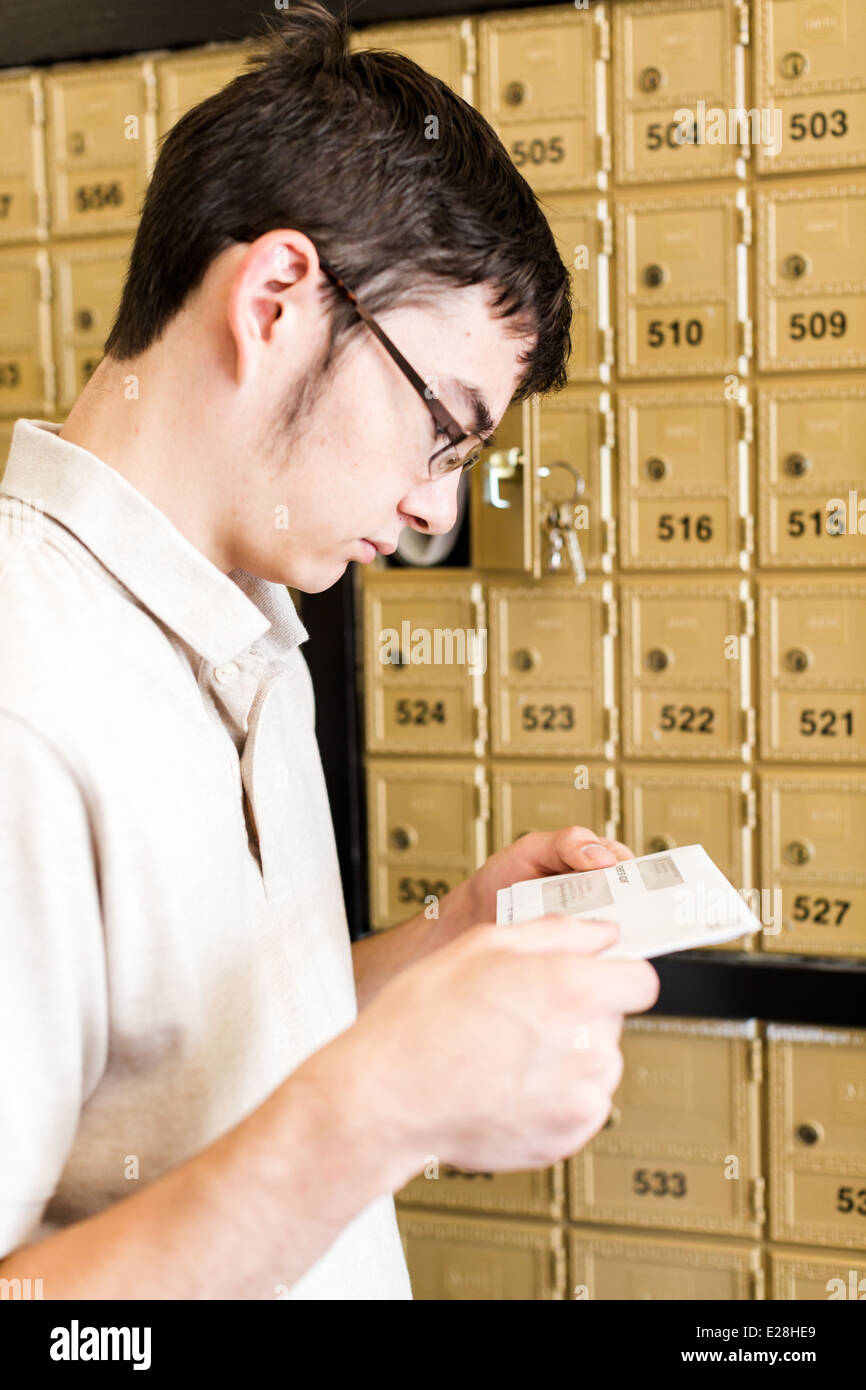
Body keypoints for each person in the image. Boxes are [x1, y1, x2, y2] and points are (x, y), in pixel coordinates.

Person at [0, 3, 657, 1299]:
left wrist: (442, 941)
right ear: (278, 297)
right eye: (440, 428)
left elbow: (179, 1063)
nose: (435, 510)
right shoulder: (25, 700)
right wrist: (377, 1110)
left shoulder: (253, 628)